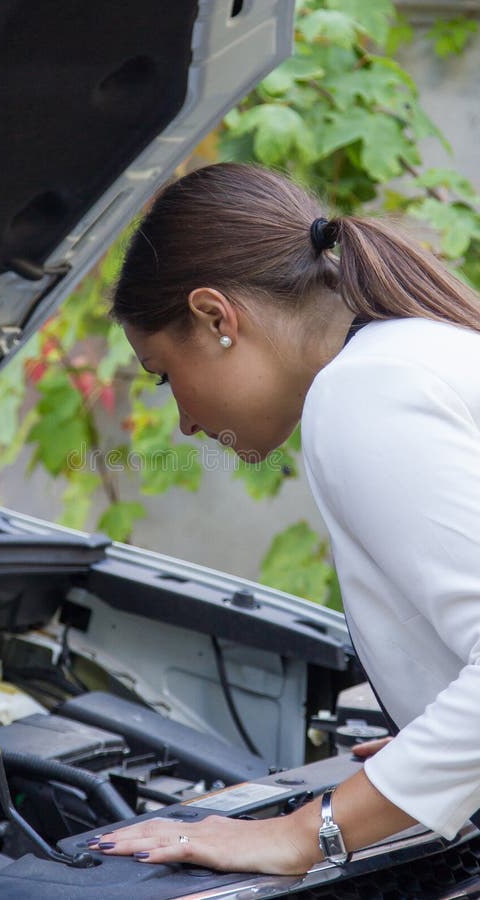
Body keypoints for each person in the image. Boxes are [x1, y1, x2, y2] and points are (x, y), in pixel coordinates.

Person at [87, 162, 480, 875]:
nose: (182, 423)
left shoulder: (366, 393)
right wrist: (436, 757)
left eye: (163, 373)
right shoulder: (423, 352)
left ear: (215, 317)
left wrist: (305, 831)